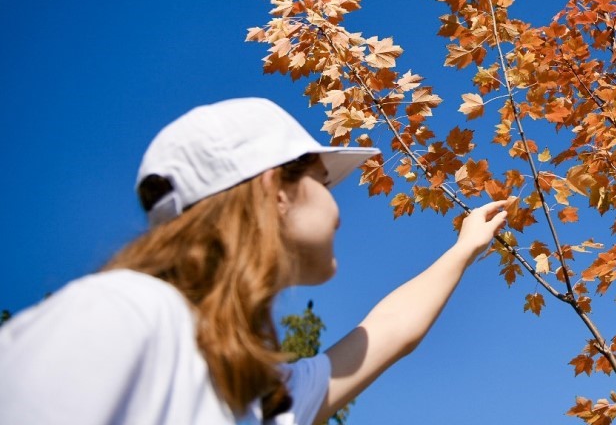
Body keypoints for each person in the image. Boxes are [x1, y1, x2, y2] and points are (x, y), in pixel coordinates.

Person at [0, 97, 511, 424]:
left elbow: (391, 330)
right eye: (322, 180)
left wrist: (464, 248)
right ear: (275, 191)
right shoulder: (127, 312)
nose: (336, 202)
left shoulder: (263, 398)